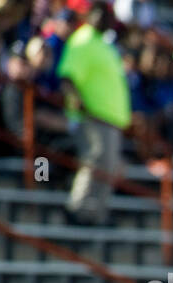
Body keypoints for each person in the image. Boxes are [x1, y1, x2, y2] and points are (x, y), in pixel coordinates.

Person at [57, 4, 131, 226]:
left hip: (109, 119)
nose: (106, 19)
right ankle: (78, 209)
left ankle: (95, 215)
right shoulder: (83, 41)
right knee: (94, 162)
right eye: (101, 14)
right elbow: (67, 77)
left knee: (107, 168)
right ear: (90, 16)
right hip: (93, 117)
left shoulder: (102, 43)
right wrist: (80, 104)